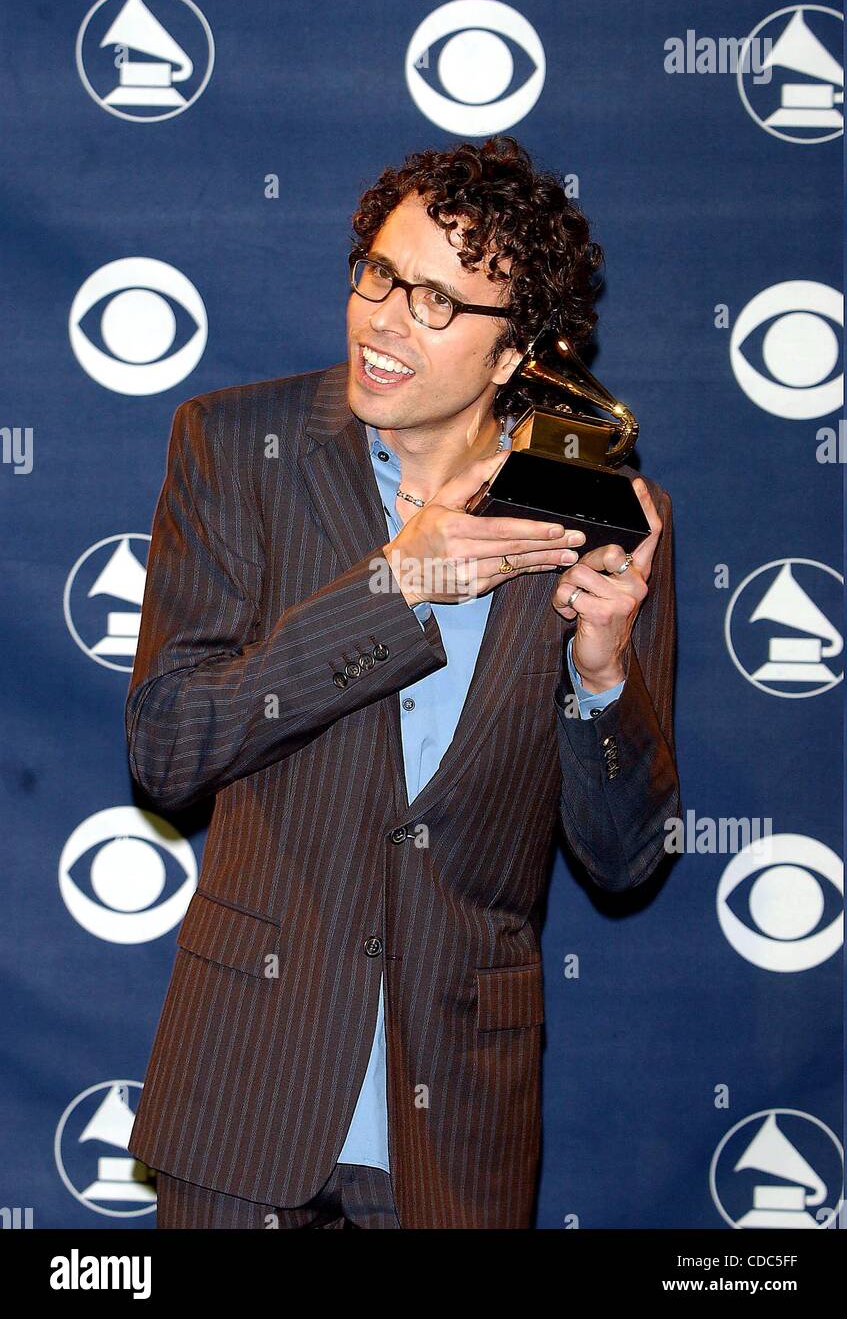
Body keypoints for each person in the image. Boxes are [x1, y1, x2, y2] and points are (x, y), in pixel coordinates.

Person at [126, 134, 679, 1229]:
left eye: (435, 301)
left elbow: (624, 858)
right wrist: (396, 585)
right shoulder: (240, 448)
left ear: (519, 348)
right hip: (244, 1097)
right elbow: (167, 745)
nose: (381, 318)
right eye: (378, 272)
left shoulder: (594, 512)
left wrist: (602, 671)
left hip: (457, 1127)